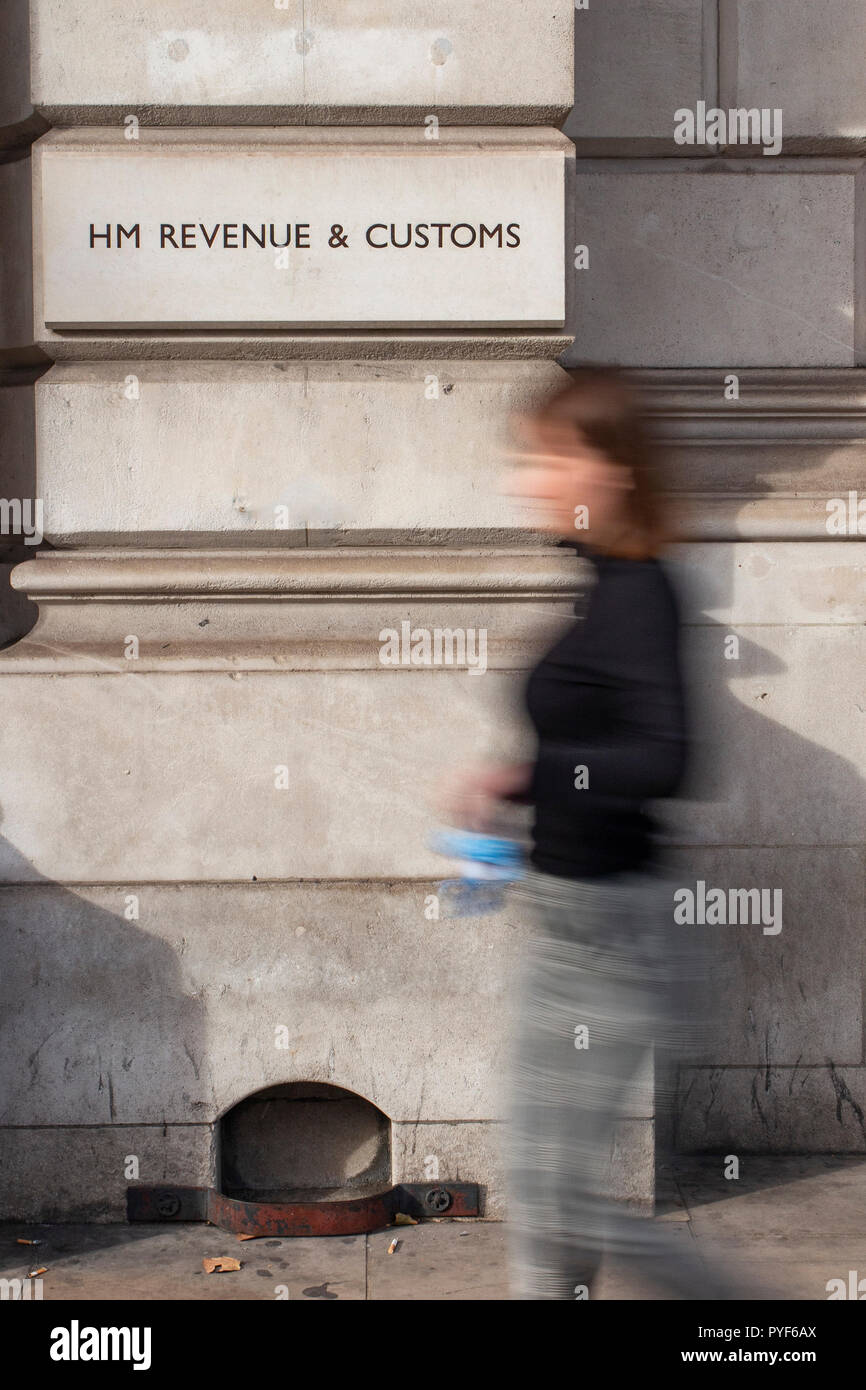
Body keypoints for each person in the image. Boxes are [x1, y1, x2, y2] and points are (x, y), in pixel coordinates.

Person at [439, 366, 747, 1300]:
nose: (523, 479)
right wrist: (520, 778)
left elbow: (670, 761)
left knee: (556, 1195)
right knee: (543, 1190)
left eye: (543, 457)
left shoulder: (640, 591)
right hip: (569, 916)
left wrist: (532, 774)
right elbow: (605, 741)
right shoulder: (604, 585)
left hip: (615, 934)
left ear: (608, 470)